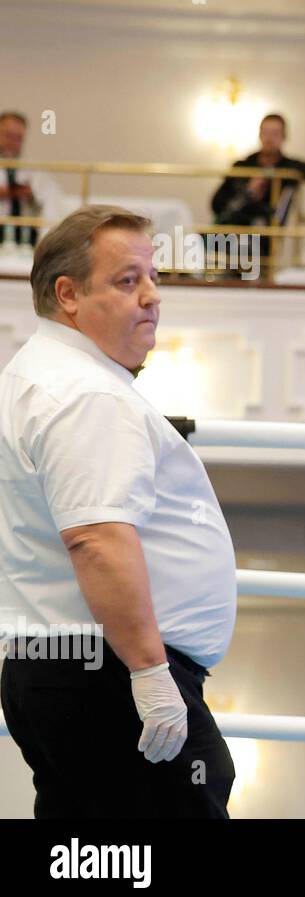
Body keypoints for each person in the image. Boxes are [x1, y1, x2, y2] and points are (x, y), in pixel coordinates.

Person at [0, 205, 238, 817]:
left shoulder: (40, 375)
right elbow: (96, 537)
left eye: (152, 277)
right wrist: (152, 673)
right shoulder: (85, 394)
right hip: (109, 673)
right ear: (68, 294)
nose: (152, 297)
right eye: (128, 281)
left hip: (67, 666)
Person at [210, 113, 305, 263]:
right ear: (259, 135)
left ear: (284, 137)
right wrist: (248, 191)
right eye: (265, 132)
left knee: (245, 248)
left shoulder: (287, 169)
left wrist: (269, 174)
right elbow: (216, 203)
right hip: (233, 227)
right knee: (194, 240)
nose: (269, 138)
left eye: (275, 133)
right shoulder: (243, 167)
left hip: (262, 234)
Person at [0, 111, 61, 248]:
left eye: (18, 138)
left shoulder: (33, 170)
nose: (13, 142)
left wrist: (31, 195)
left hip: (23, 236)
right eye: (8, 136)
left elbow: (49, 202)